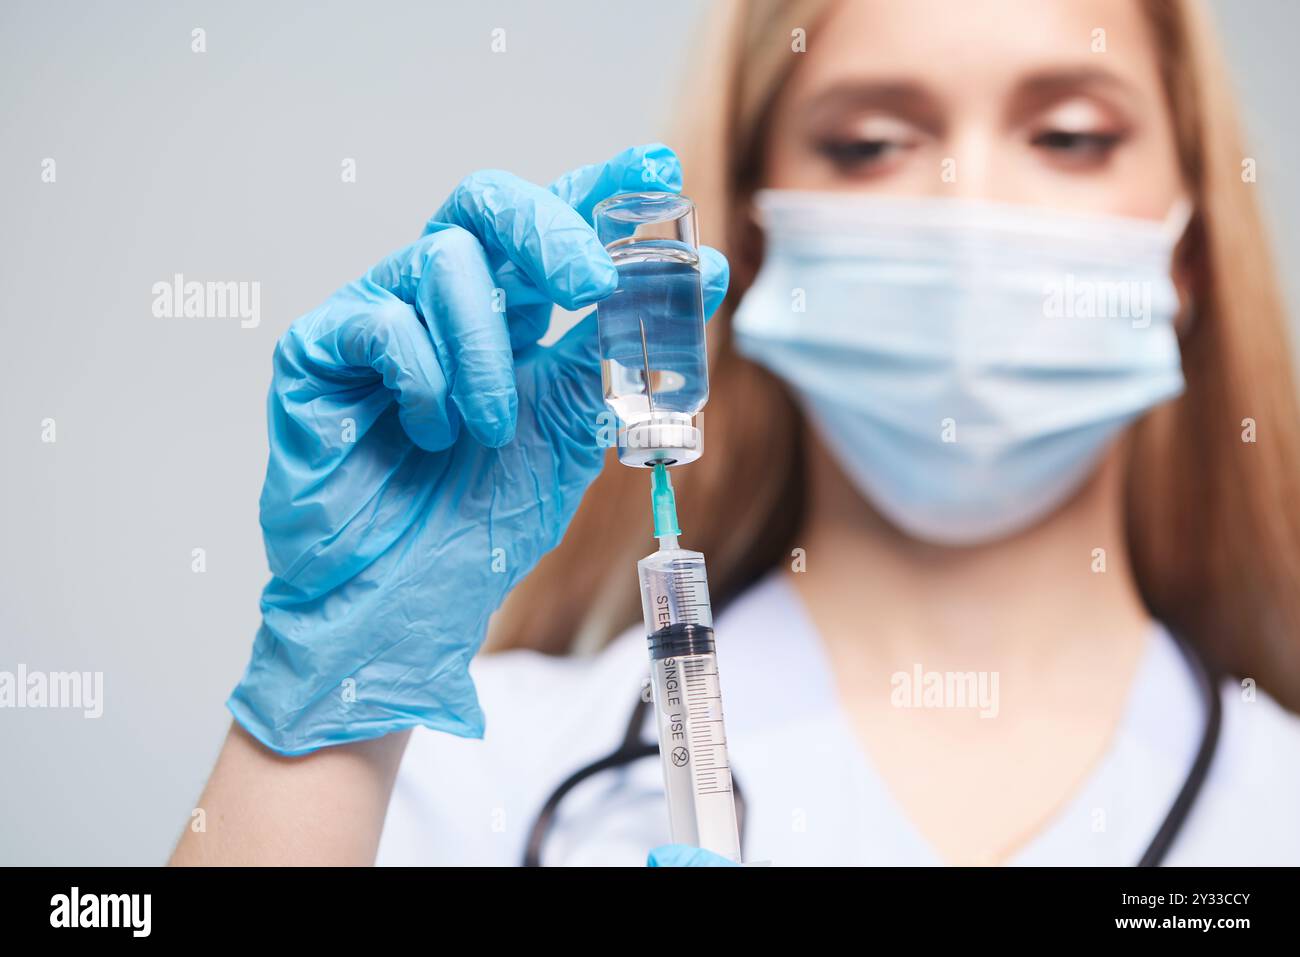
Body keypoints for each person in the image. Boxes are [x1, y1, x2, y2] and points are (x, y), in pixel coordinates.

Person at [171, 0, 1300, 867]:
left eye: (1067, 134)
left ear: (1188, 248)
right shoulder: (485, 778)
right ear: (753, 249)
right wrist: (324, 716)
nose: (966, 203)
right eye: (867, 145)